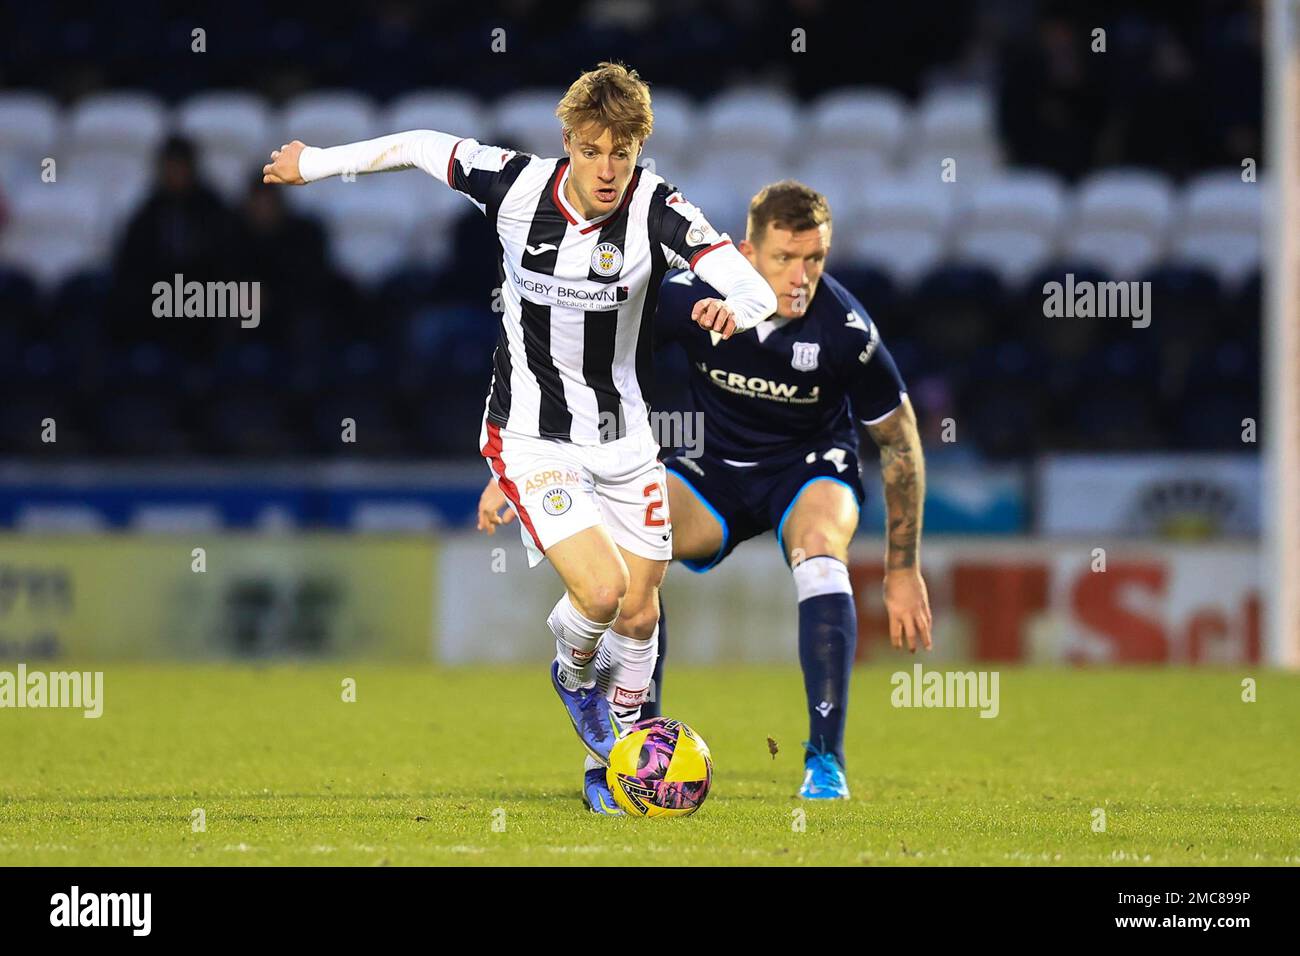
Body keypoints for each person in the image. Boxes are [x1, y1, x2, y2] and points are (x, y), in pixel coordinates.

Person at [263, 62, 776, 814]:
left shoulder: (659, 211)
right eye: (594, 150)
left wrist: (738, 310)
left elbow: (754, 284)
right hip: (532, 437)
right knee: (600, 592)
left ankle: (618, 767)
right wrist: (316, 164)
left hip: (627, 438)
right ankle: (572, 676)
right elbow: (417, 144)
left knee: (640, 611)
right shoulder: (512, 185)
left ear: (640, 151)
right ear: (568, 141)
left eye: (624, 153)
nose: (608, 170)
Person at [480, 180, 931, 802]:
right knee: (629, 571)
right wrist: (529, 464)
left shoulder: (847, 331)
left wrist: (902, 569)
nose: (801, 277)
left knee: (822, 555)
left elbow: (901, 443)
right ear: (746, 253)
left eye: (815, 259)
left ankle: (825, 760)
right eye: (784, 259)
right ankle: (621, 754)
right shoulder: (690, 298)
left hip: (809, 469)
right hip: (712, 469)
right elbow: (582, 360)